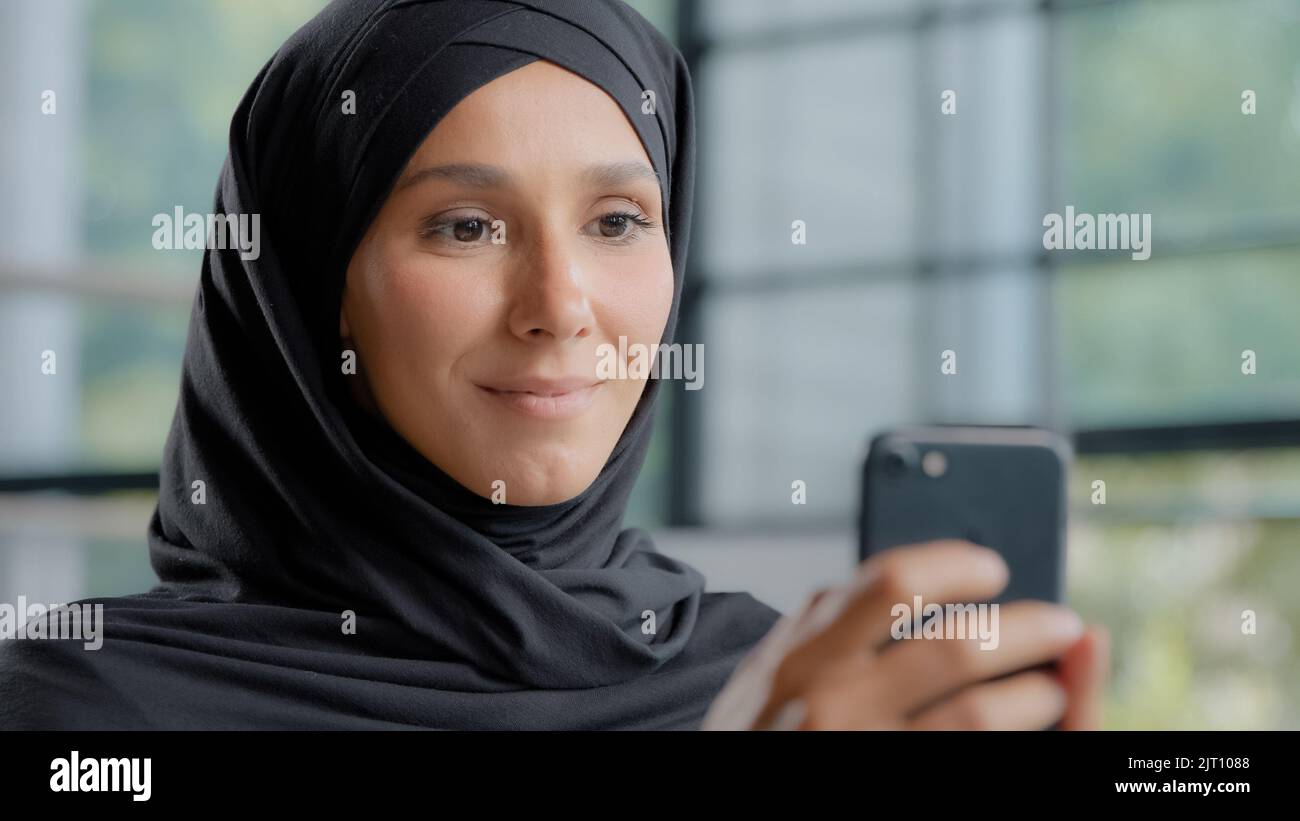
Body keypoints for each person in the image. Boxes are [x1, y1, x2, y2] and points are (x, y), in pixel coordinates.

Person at [0, 0, 1107, 730]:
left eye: (619, 220)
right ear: (302, 289)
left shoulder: (785, 676)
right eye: (466, 227)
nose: (561, 308)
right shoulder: (83, 711)